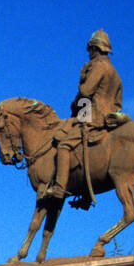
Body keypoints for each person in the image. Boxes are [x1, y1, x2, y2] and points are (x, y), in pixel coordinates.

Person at [43, 30, 126, 202]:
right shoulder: (116, 74)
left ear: (95, 49)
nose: (89, 54)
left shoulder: (98, 66)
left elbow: (86, 92)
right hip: (109, 119)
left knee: (65, 146)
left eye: (90, 50)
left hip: (92, 116)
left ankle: (59, 188)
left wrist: (78, 100)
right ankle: (85, 193)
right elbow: (118, 104)